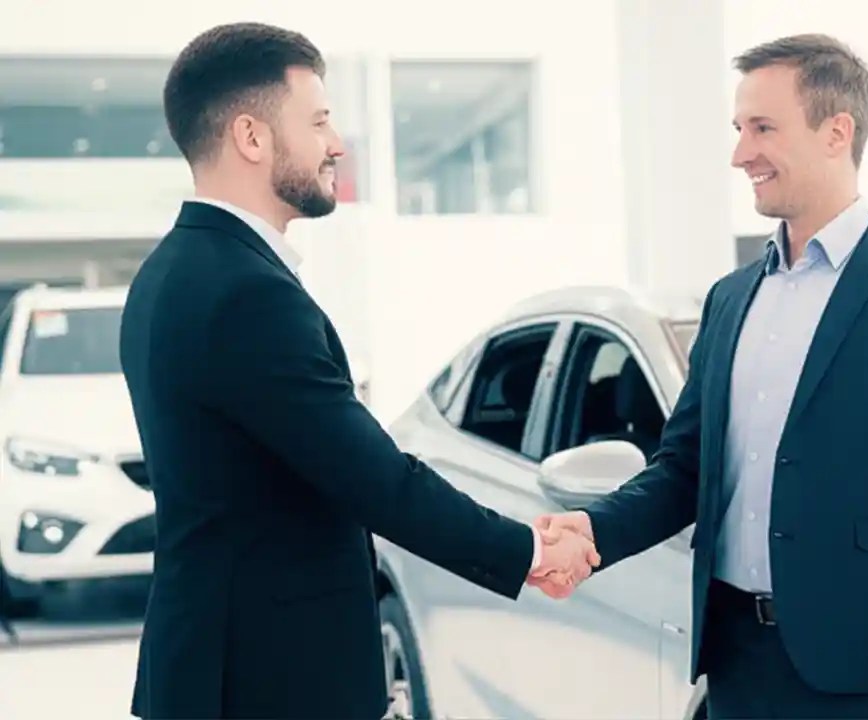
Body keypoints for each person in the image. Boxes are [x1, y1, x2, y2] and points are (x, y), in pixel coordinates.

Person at [121, 22, 597, 720]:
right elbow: (373, 477)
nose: (336, 143)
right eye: (318, 121)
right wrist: (527, 548)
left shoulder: (170, 274)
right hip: (269, 683)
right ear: (251, 138)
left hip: (214, 670)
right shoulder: (243, 293)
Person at [536, 33, 868, 720]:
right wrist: (592, 531)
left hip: (861, 677)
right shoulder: (730, 297)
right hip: (736, 663)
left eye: (762, 128)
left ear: (836, 131)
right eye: (737, 129)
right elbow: (684, 469)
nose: (739, 153)